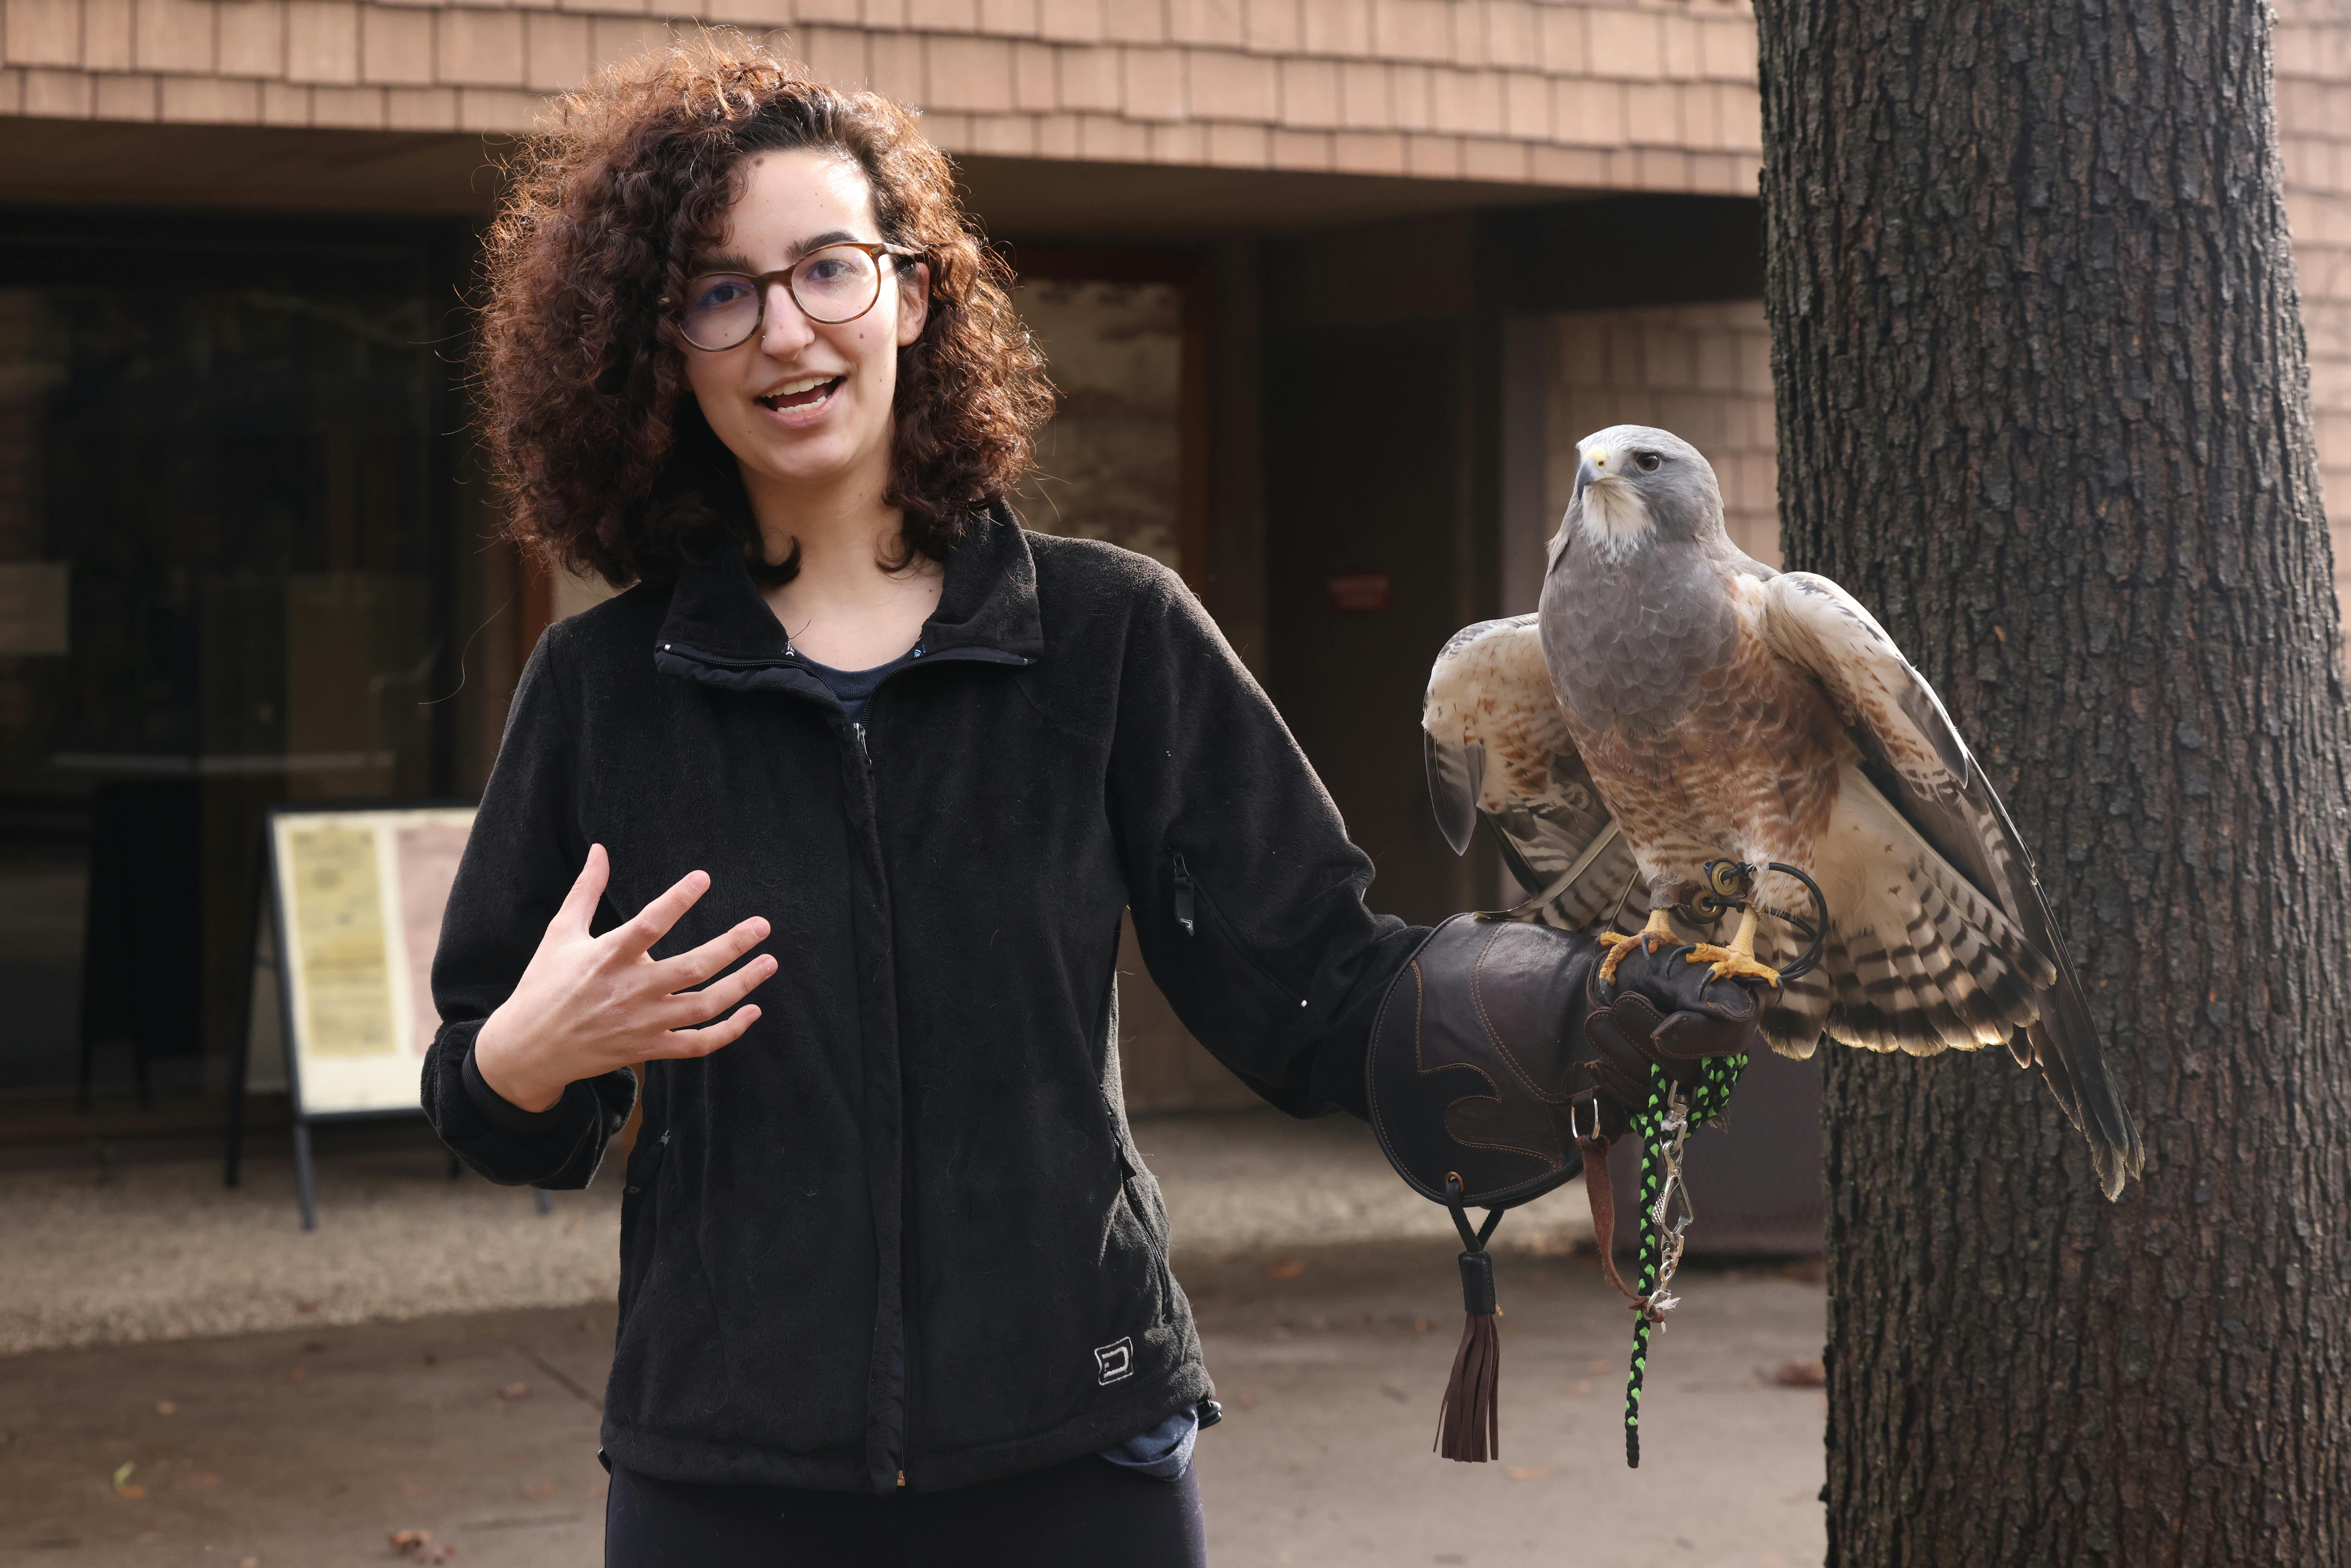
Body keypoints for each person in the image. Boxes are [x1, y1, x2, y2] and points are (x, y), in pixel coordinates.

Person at [424, 35, 1756, 1568]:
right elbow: (495, 1094)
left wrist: (1571, 1004)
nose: (785, 328)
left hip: (1074, 1445)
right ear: (663, 347)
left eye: (828, 269)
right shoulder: (608, 687)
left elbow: (1319, 981)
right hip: (728, 1467)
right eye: (720, 290)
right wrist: (525, 1057)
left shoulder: (1112, 635)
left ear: (912, 294)